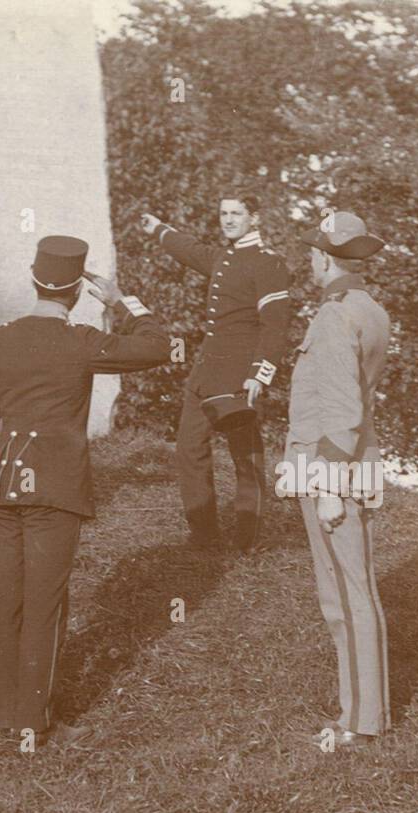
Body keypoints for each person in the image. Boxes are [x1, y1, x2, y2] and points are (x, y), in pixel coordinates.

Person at [0, 236, 172, 744]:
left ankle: (7, 714)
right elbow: (158, 346)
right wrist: (122, 301)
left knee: (5, 599)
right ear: (77, 291)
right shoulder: (80, 341)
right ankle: (34, 723)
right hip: (55, 488)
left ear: (33, 280)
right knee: (45, 604)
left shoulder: (0, 339)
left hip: (1, 487)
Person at [278, 212, 391, 746]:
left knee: (344, 597)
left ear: (323, 258)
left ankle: (359, 722)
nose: (310, 260)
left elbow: (341, 408)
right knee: (354, 590)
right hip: (353, 460)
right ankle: (363, 711)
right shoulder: (371, 309)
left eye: (312, 252)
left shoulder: (331, 316)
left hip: (330, 467)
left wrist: (325, 486)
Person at [140, 192, 293, 551]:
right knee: (188, 448)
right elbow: (191, 250)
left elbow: (275, 326)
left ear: (254, 218)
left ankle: (248, 539)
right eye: (223, 213)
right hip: (205, 370)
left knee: (246, 457)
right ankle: (204, 535)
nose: (228, 220)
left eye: (236, 213)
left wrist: (260, 374)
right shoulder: (225, 256)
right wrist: (158, 229)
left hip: (239, 376)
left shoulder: (267, 263)